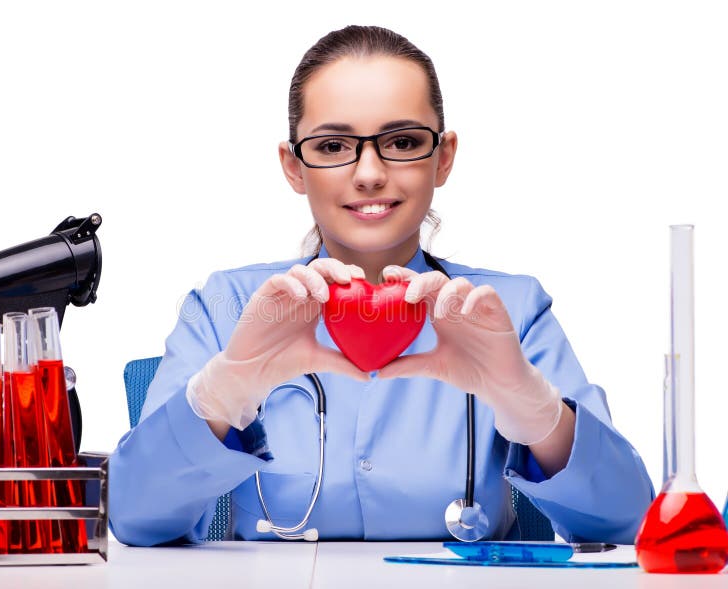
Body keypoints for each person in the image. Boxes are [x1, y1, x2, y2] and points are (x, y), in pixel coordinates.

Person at [108, 25, 654, 546]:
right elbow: (134, 517)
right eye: (331, 147)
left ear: (443, 158)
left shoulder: (510, 310)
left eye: (402, 141)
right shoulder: (228, 307)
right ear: (293, 167)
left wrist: (534, 409)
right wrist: (225, 394)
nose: (369, 173)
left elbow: (626, 521)